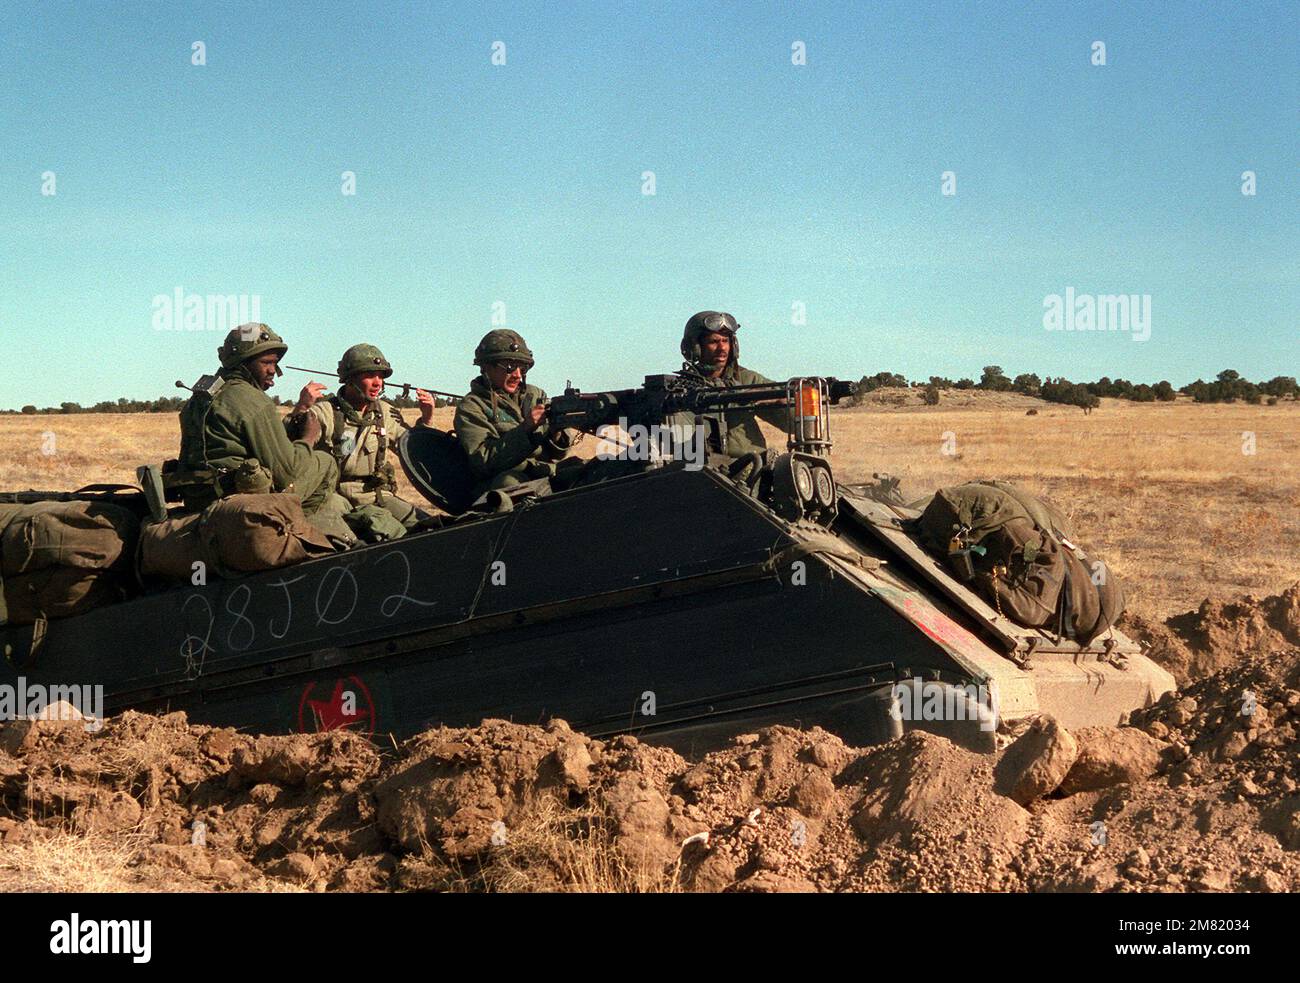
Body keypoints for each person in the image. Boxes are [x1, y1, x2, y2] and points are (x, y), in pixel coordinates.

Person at [174, 323, 338, 513]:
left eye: (274, 363)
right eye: (266, 362)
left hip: (200, 500)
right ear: (243, 362)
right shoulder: (253, 400)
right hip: (240, 503)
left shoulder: (202, 395)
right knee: (325, 462)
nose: (272, 370)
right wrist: (308, 439)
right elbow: (286, 473)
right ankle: (291, 530)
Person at [286, 344, 435, 532]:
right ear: (349, 379)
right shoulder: (324, 412)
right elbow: (290, 452)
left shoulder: (385, 413)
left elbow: (413, 451)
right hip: (334, 496)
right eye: (369, 375)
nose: (377, 382)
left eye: (381, 376)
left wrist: (426, 419)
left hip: (376, 495)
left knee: (428, 528)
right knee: (386, 534)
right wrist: (301, 408)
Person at [453, 329, 575, 496]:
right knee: (510, 483)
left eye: (522, 368)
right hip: (500, 486)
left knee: (593, 468)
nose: (517, 375)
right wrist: (525, 429)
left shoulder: (536, 395)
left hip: (543, 473)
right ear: (487, 367)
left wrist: (557, 432)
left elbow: (558, 454)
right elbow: (484, 461)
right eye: (510, 367)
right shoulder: (472, 407)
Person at [671, 310, 790, 460]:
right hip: (704, 469)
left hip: (751, 468)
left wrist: (779, 402)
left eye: (725, 341)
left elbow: (792, 424)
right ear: (695, 348)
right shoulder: (679, 389)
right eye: (714, 342)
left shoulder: (747, 380)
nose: (722, 348)